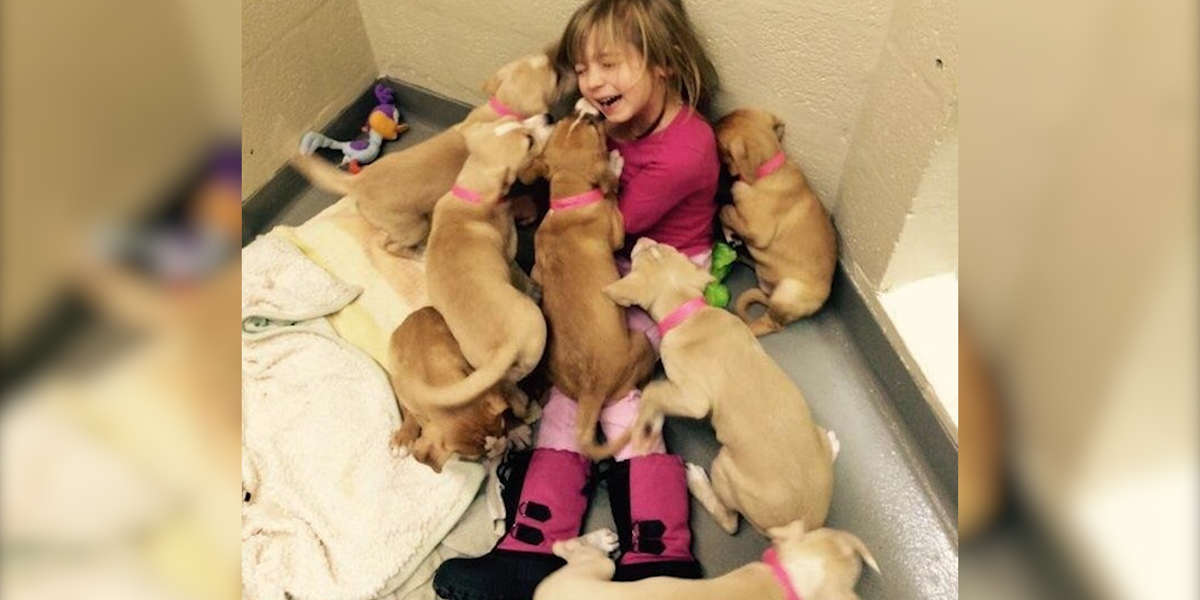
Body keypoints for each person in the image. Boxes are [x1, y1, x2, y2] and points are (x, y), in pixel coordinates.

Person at [433, 2, 720, 598]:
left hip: (657, 270)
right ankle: (531, 546)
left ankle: (660, 553)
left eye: (609, 64)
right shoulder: (611, 120)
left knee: (613, 387)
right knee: (569, 386)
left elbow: (608, 225)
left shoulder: (686, 150)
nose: (591, 83)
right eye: (583, 68)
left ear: (664, 63)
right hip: (600, 257)